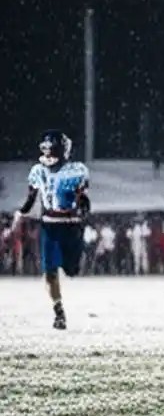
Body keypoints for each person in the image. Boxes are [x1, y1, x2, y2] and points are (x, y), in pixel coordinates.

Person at [15, 130, 90, 329]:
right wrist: (20, 213)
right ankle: (59, 312)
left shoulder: (77, 170)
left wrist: (83, 213)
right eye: (45, 149)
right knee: (50, 271)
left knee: (72, 270)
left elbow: (84, 200)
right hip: (49, 225)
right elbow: (31, 198)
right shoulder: (38, 171)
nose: (47, 153)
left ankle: (70, 269)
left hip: (71, 225)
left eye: (51, 149)